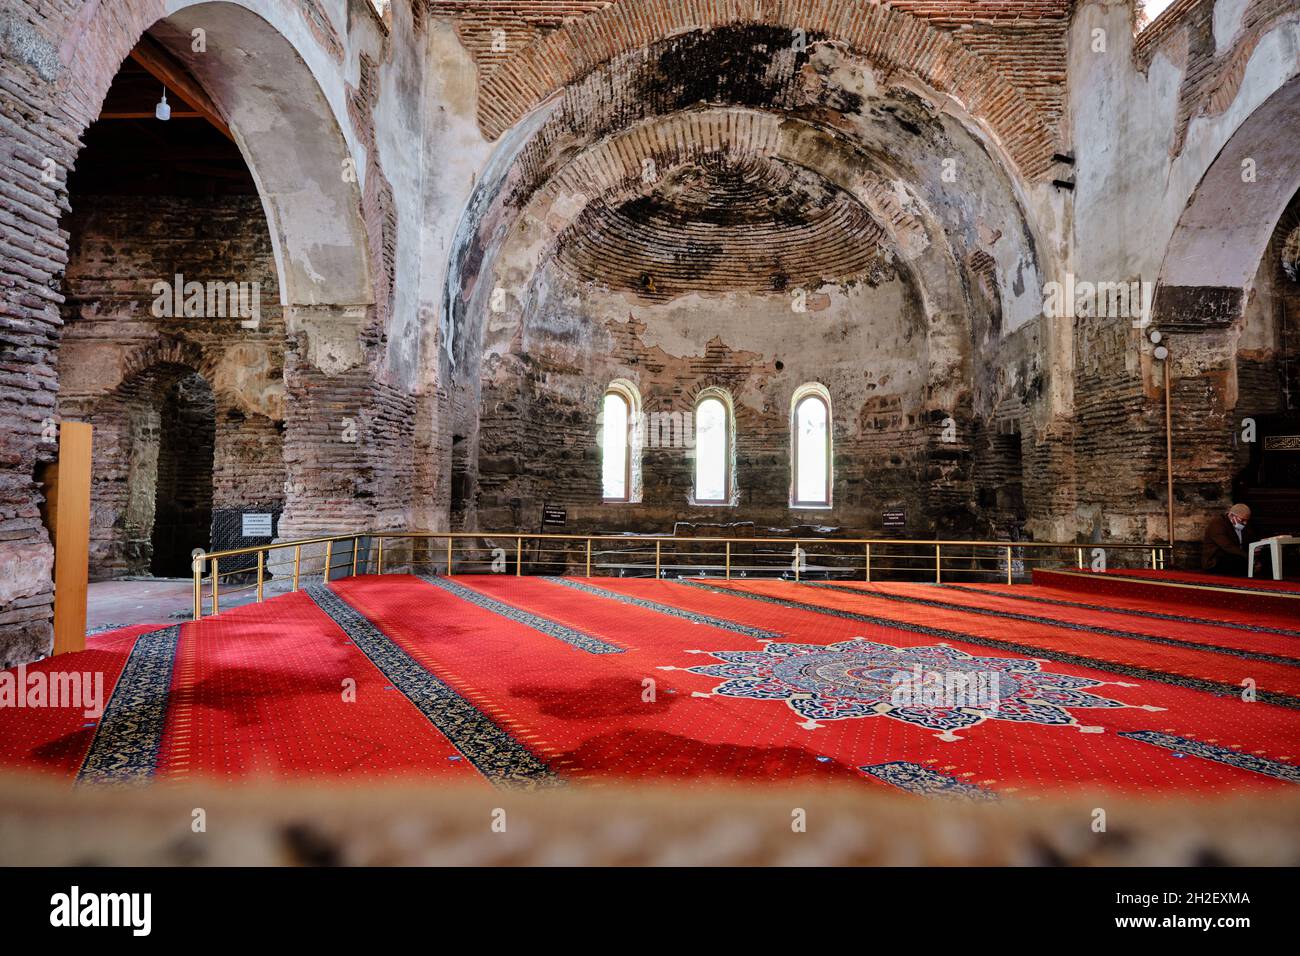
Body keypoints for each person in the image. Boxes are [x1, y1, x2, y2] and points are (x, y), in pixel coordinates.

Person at [1201, 504, 1253, 576]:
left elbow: (1248, 541)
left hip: (1235, 556)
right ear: (1231, 515)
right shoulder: (1217, 524)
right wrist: (1249, 557)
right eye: (1242, 520)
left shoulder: (1242, 525)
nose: (1245, 523)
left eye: (1246, 520)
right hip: (1216, 561)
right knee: (1239, 561)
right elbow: (1227, 546)